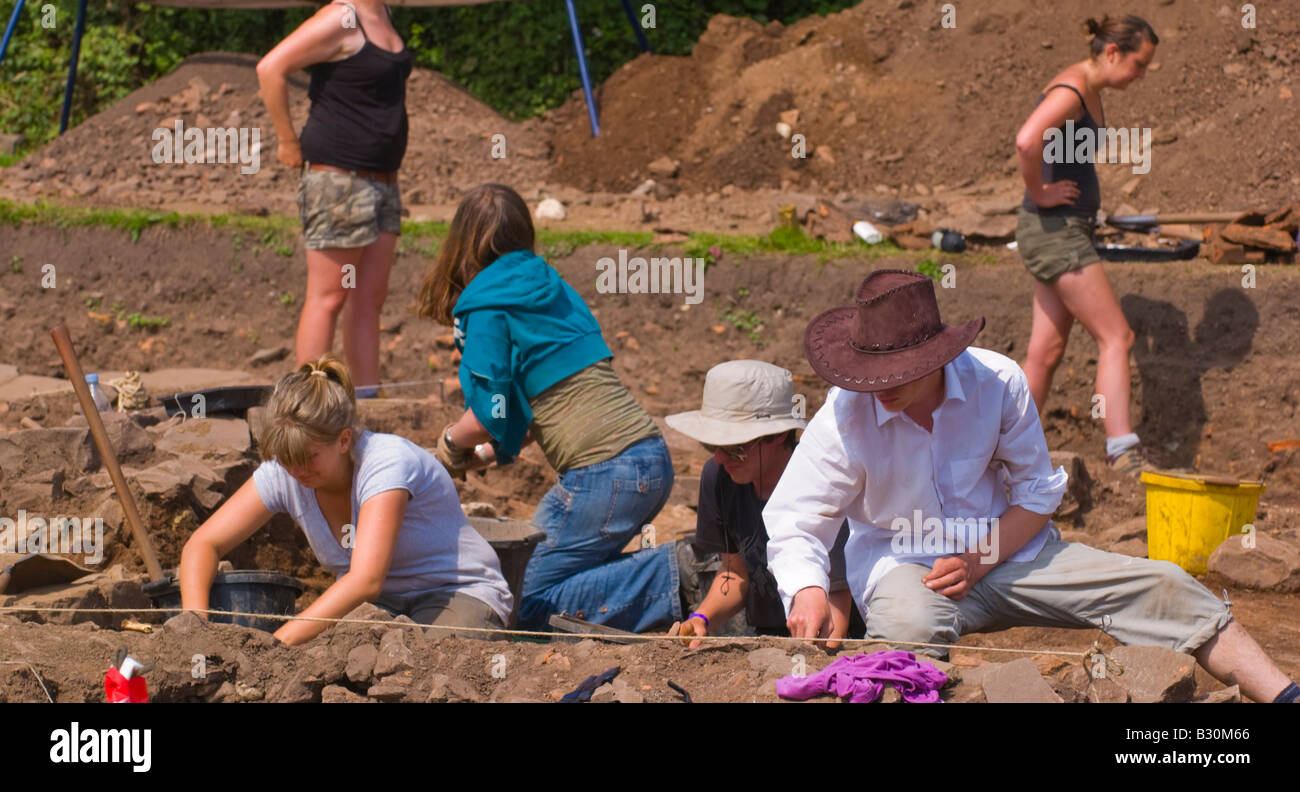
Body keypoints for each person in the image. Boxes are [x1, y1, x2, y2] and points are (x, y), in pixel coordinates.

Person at [764, 269, 1300, 704]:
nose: (879, 388)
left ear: (935, 358)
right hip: (903, 564)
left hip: (1010, 552)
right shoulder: (845, 413)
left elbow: (1037, 497)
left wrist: (980, 559)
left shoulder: (997, 383)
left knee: (1161, 583)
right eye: (870, 374)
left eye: (895, 374)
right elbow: (796, 518)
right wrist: (807, 589)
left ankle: (1283, 695)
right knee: (908, 628)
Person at [416, 183, 677, 631]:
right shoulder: (550, 287)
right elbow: (548, 396)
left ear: (459, 245)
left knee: (518, 598)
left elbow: (488, 414)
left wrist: (448, 445)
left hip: (603, 476)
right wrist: (493, 453)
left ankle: (676, 575)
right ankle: (672, 582)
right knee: (562, 577)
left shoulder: (485, 306)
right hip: (650, 458)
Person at [179, 354, 512, 645]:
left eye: (308, 457)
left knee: (424, 668)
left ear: (343, 440)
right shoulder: (285, 468)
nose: (296, 470)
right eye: (285, 458)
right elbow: (203, 544)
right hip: (378, 607)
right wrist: (197, 626)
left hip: (456, 592)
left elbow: (366, 580)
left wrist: (276, 646)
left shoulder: (386, 462)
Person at [256, 0, 416, 399]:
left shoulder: (381, 15)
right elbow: (271, 68)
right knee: (328, 297)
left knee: (368, 301)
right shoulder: (341, 18)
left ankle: (368, 402)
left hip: (383, 181)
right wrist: (287, 142)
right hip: (339, 180)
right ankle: (310, 406)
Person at [1014, 14, 1157, 477]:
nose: (1142, 75)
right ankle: (1122, 448)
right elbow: (1027, 139)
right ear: (1112, 52)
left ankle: (1007, 450)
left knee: (1046, 352)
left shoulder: (1086, 90)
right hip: (1057, 233)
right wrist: (1039, 192)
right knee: (1118, 336)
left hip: (1058, 229)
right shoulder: (1072, 91)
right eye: (1139, 64)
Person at [664, 360, 857, 649]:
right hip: (766, 636)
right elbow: (735, 573)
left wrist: (805, 661)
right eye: (711, 445)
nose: (719, 457)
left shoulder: (822, 483)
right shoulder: (718, 477)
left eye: (734, 448)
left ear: (778, 435)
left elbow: (838, 603)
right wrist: (702, 618)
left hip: (831, 637)